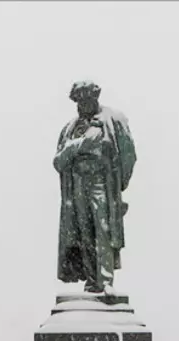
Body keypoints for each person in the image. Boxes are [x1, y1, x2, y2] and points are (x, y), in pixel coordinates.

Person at [54, 81, 137, 294]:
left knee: (104, 230)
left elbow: (128, 154)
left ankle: (106, 280)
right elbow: (58, 162)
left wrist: (119, 188)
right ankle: (93, 280)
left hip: (102, 182)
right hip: (78, 186)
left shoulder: (113, 119)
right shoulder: (70, 129)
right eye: (78, 102)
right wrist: (77, 146)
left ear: (94, 98)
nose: (82, 106)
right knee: (84, 232)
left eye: (86, 100)